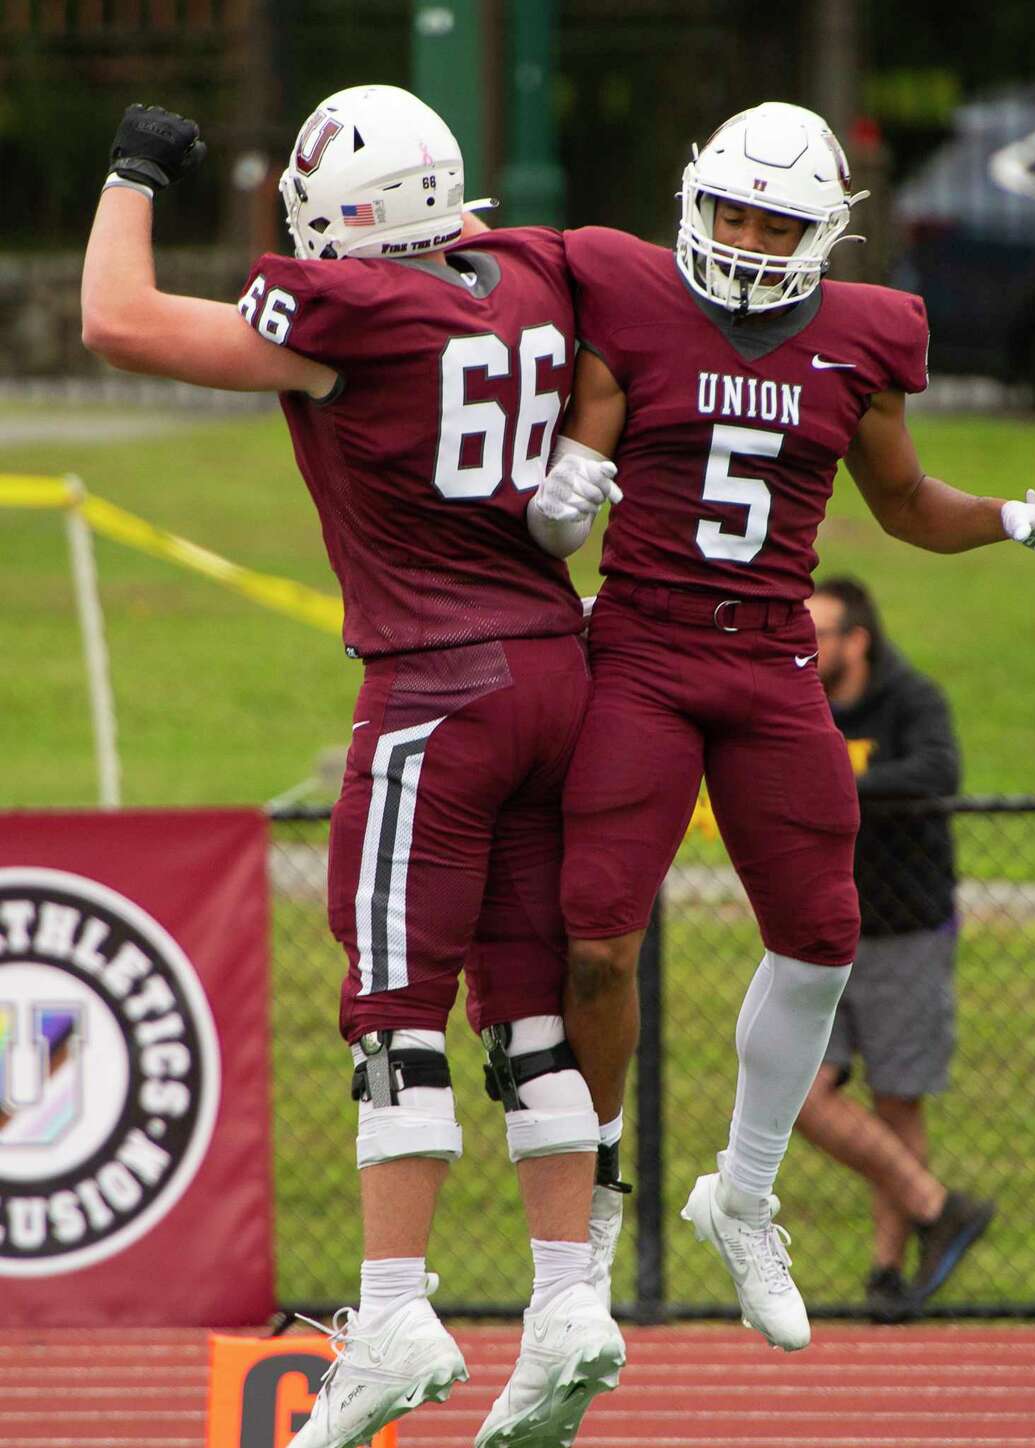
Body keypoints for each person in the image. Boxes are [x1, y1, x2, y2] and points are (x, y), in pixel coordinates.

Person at [81, 91, 624, 1448]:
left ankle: (392, 1315)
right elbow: (576, 315)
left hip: (439, 691)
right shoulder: (538, 268)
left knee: (393, 1012)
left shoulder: (351, 321)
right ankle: (569, 1299)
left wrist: (138, 169)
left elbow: (119, 320)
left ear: (337, 224)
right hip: (563, 675)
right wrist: (584, 457)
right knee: (528, 1009)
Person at [526, 100, 1035, 1350]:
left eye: (776, 221)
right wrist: (560, 506)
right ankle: (601, 1193)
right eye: (731, 209)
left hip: (774, 656)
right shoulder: (629, 297)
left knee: (825, 939)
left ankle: (745, 1190)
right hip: (645, 650)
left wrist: (1011, 515)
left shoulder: (864, 335)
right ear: (694, 198)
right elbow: (563, 511)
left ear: (825, 232)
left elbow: (902, 502)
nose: (745, 236)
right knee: (599, 941)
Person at [793, 577, 992, 1324]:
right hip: (820, 933)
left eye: (819, 633)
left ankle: (889, 1272)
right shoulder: (796, 697)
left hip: (906, 931)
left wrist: (842, 781)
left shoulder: (912, 699)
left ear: (857, 640)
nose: (805, 647)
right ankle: (940, 1208)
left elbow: (938, 773)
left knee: (895, 1098)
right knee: (805, 1097)